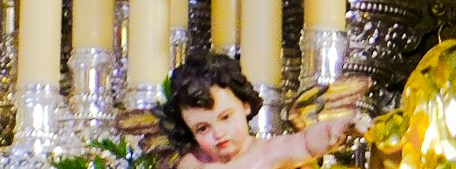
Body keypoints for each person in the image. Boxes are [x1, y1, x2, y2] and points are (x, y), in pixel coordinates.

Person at [157, 51, 368, 169]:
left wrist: (337, 128)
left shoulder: (268, 153)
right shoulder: (193, 162)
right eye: (202, 128)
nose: (218, 133)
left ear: (245, 105)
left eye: (225, 117)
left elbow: (304, 143)